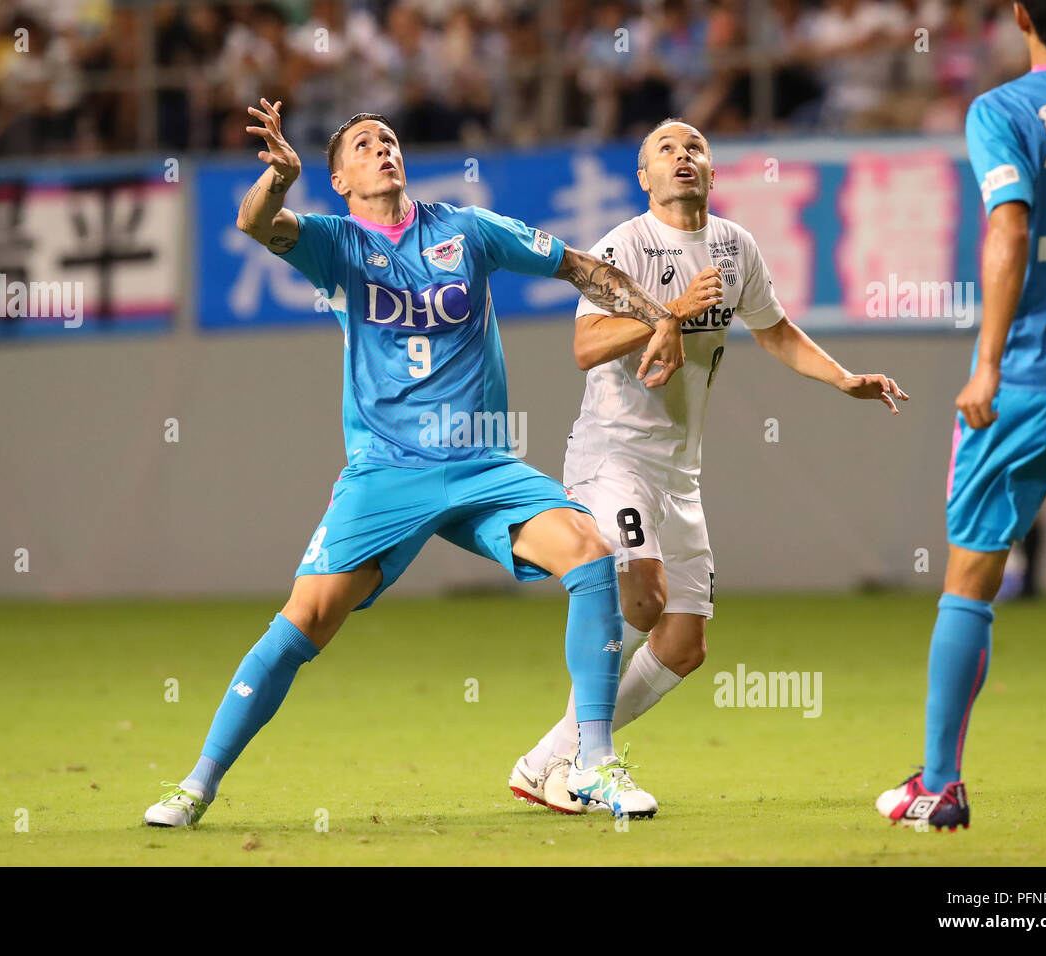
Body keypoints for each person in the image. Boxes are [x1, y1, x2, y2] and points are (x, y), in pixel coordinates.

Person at [144, 100, 697, 826]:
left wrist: (659, 317)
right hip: (387, 470)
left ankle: (593, 763)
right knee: (304, 619)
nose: (383, 150)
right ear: (339, 178)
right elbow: (254, 224)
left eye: (390, 140)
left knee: (593, 556)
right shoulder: (334, 243)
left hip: (485, 466)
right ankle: (197, 783)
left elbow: (575, 266)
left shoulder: (465, 229)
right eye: (365, 145)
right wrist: (278, 179)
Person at [510, 118, 908, 815]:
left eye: (694, 147)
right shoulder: (623, 246)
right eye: (665, 149)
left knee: (684, 644)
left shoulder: (733, 246)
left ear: (713, 172)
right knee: (643, 598)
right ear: (644, 178)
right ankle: (590, 762)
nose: (682, 156)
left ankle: (550, 758)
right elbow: (586, 344)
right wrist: (667, 311)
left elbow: (775, 329)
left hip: (678, 471)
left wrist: (844, 379)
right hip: (613, 454)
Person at [875, 1, 1046, 854]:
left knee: (970, 576)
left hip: (1024, 379)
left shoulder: (1003, 111)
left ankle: (939, 786)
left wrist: (985, 362)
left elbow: (1009, 224)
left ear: (1020, 14)